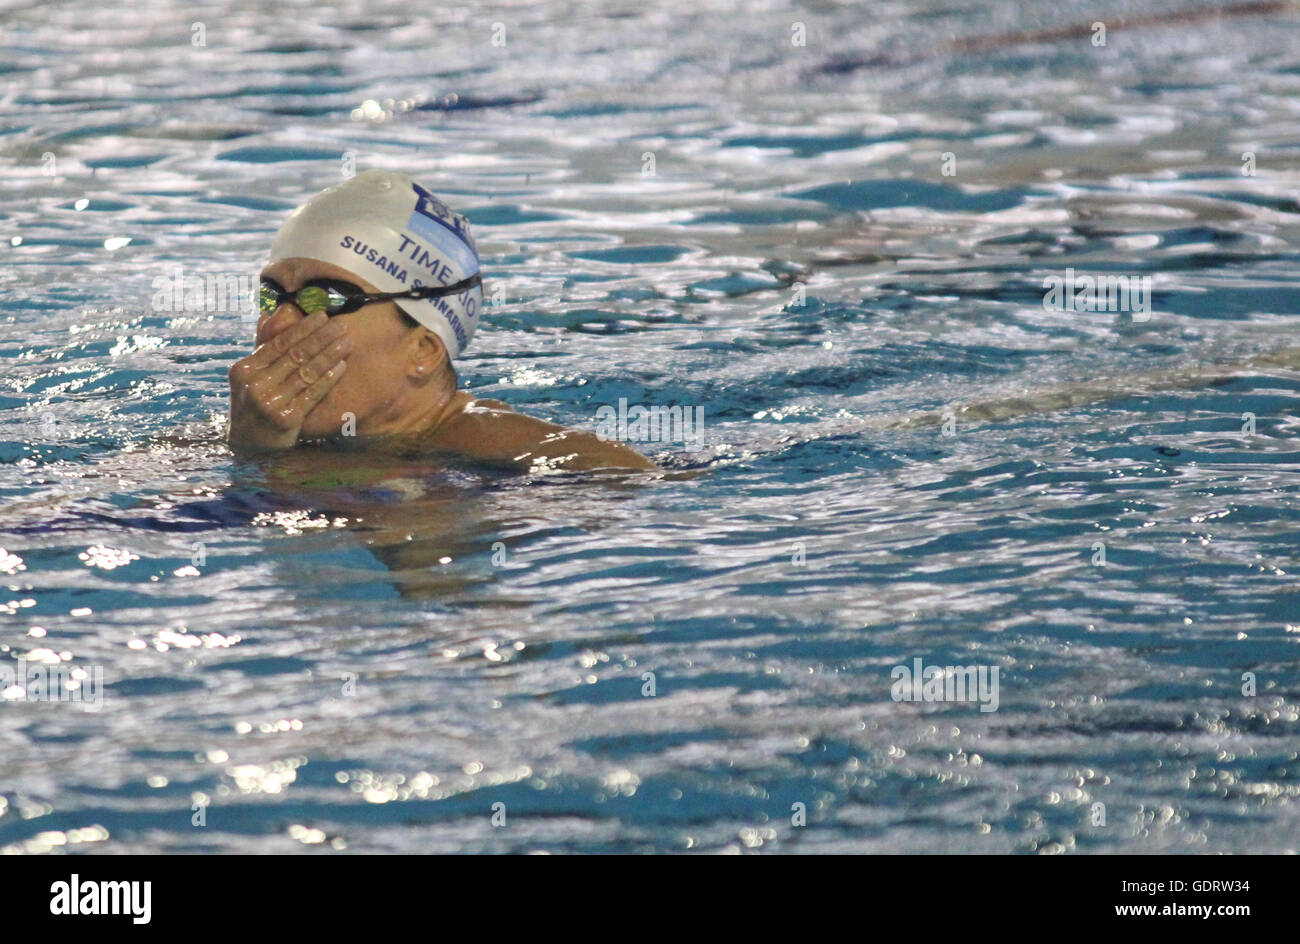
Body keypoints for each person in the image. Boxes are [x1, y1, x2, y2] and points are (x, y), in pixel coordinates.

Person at [227, 169, 657, 472]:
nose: (278, 324)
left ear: (425, 349)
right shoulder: (235, 437)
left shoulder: (527, 457)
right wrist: (256, 452)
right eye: (272, 295)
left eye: (330, 297)